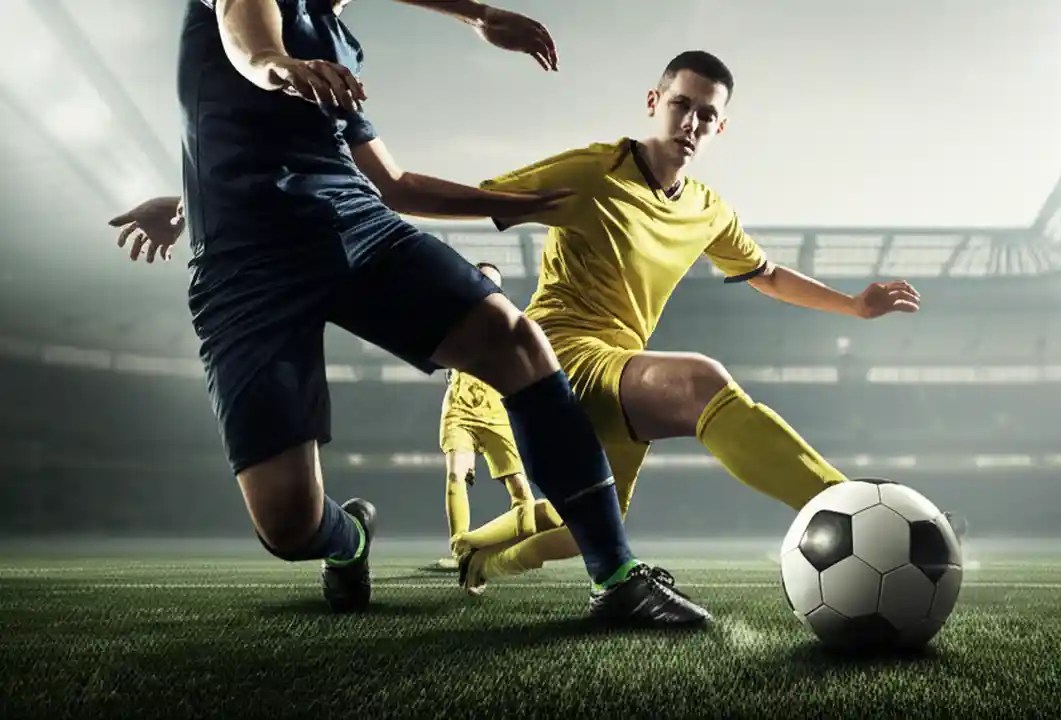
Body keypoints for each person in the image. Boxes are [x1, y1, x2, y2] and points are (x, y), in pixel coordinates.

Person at [106, 0, 710, 626]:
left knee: (516, 341)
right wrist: (278, 66)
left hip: (353, 224)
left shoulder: (339, 46)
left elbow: (394, 185)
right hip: (244, 269)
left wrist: (520, 203)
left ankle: (617, 577)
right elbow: (251, 49)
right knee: (288, 525)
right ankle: (350, 539)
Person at [456, 50, 922, 594]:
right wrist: (391, 205)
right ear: (654, 102)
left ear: (719, 127)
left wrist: (855, 306)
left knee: (583, 526)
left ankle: (477, 558)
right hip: (558, 352)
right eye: (681, 105)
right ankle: (856, 507)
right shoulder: (594, 172)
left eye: (706, 114)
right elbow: (481, 199)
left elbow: (768, 274)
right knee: (700, 382)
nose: (691, 123)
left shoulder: (707, 210)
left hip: (618, 360)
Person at [430, 263, 561, 572]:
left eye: (493, 283)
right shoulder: (452, 318)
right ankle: (460, 551)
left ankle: (519, 548)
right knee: (455, 475)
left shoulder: (511, 323)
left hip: (497, 413)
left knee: (521, 491)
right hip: (459, 410)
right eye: (482, 279)